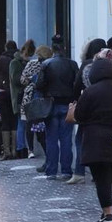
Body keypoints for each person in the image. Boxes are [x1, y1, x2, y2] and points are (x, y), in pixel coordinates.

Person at [73, 56, 112, 222]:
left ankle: (108, 215)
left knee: (102, 178)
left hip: (96, 140)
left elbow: (79, 115)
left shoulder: (90, 91)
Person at [37, 41, 79, 180]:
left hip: (51, 104)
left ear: (52, 49)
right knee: (67, 139)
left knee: (51, 139)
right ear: (64, 48)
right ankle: (66, 170)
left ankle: (52, 171)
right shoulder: (72, 64)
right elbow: (77, 84)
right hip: (67, 104)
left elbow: (40, 84)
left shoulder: (46, 64)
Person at [68, 38, 108, 184]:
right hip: (107, 105)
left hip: (89, 105)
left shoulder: (86, 64)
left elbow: (77, 86)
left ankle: (79, 172)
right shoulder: (109, 63)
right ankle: (101, 172)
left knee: (81, 139)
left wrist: (76, 101)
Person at [21, 45, 54, 165]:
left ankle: (31, 150)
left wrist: (31, 80)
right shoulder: (52, 64)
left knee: (31, 124)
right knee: (44, 130)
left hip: (33, 99)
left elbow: (23, 80)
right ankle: (48, 158)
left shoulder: (32, 64)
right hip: (47, 101)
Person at [0, 41, 18, 159]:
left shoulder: (2, 59)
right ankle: (15, 150)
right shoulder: (18, 58)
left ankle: (7, 152)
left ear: (6, 47)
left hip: (3, 93)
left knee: (5, 122)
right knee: (15, 122)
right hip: (15, 94)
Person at [10, 40, 35, 158]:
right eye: (28, 54)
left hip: (26, 96)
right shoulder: (15, 63)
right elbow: (15, 80)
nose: (29, 57)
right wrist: (28, 80)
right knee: (22, 123)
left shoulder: (24, 62)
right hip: (20, 97)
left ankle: (23, 147)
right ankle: (21, 148)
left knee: (24, 123)